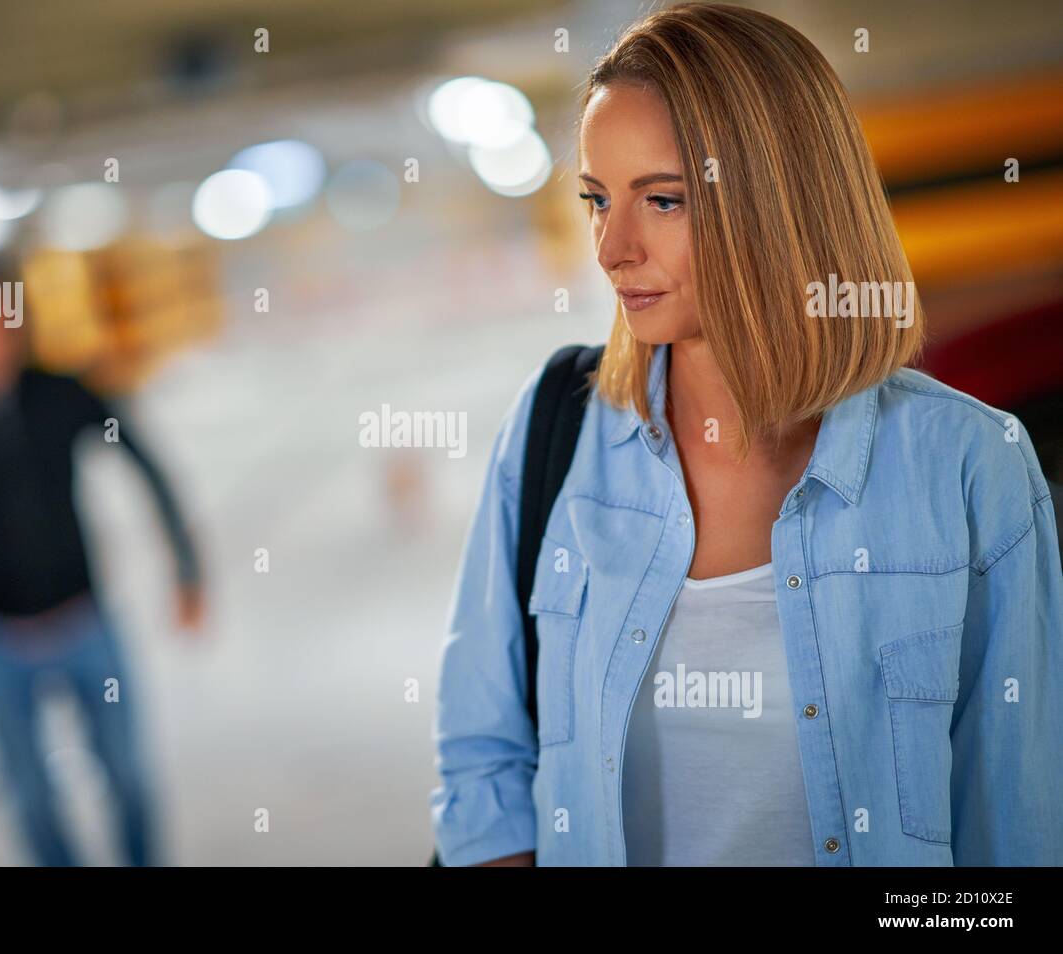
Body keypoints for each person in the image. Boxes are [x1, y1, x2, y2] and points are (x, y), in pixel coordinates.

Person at [430, 2, 1063, 866]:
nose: (612, 247)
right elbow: (484, 779)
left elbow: (1015, 832)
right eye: (595, 199)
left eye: (661, 201)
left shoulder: (969, 468)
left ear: (779, 199)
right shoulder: (552, 434)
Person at [0, 261, 205, 866]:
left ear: (16, 323)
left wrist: (186, 571)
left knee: (129, 778)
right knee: (32, 798)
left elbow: (147, 467)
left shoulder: (64, 394)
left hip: (85, 624)